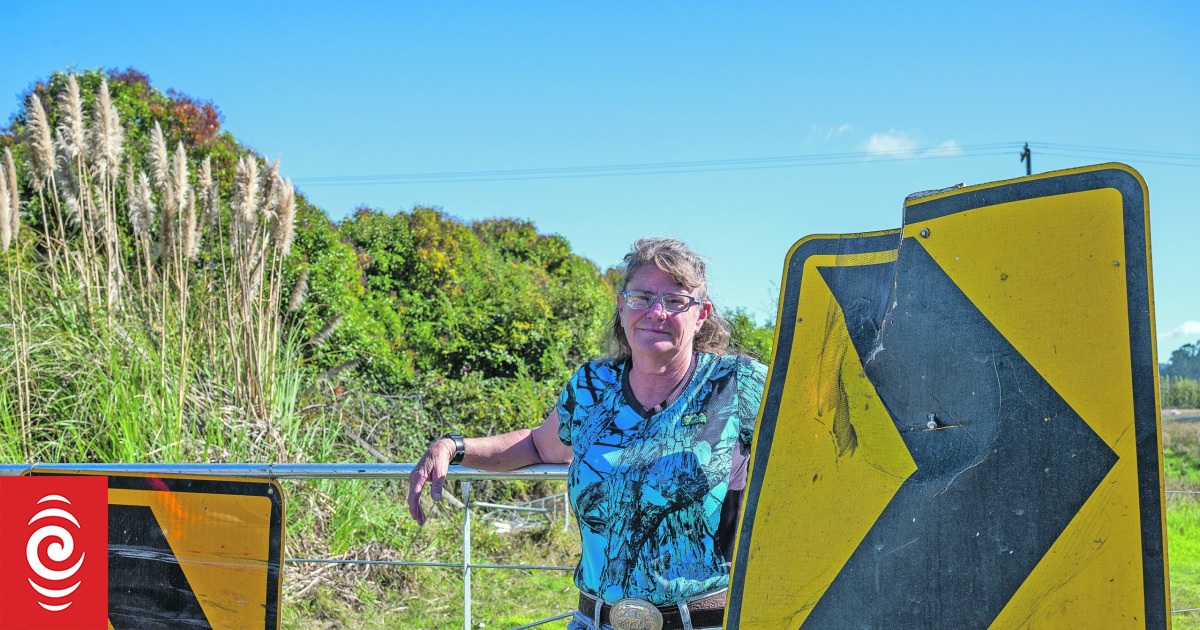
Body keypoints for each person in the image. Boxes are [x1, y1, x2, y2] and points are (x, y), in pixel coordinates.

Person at [408, 237, 767, 630]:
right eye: (641, 297)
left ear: (701, 315)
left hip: (706, 621)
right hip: (595, 620)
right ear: (621, 305)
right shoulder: (593, 385)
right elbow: (537, 444)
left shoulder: (736, 383)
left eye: (676, 301)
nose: (657, 312)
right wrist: (453, 446)